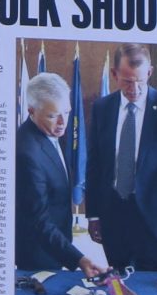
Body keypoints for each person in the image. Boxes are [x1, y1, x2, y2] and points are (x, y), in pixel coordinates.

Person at [82, 43, 157, 275]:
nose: (134, 89)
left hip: (152, 217)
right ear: (114, 74)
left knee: (150, 285)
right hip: (112, 213)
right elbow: (95, 165)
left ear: (149, 72)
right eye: (127, 81)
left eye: (140, 81)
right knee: (117, 283)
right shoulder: (102, 108)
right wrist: (93, 214)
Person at [15, 72, 100, 277]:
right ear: (31, 111)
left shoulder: (52, 132)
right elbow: (39, 220)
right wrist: (79, 259)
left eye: (67, 112)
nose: (63, 122)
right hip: (38, 256)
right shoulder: (27, 153)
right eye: (53, 116)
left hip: (55, 249)